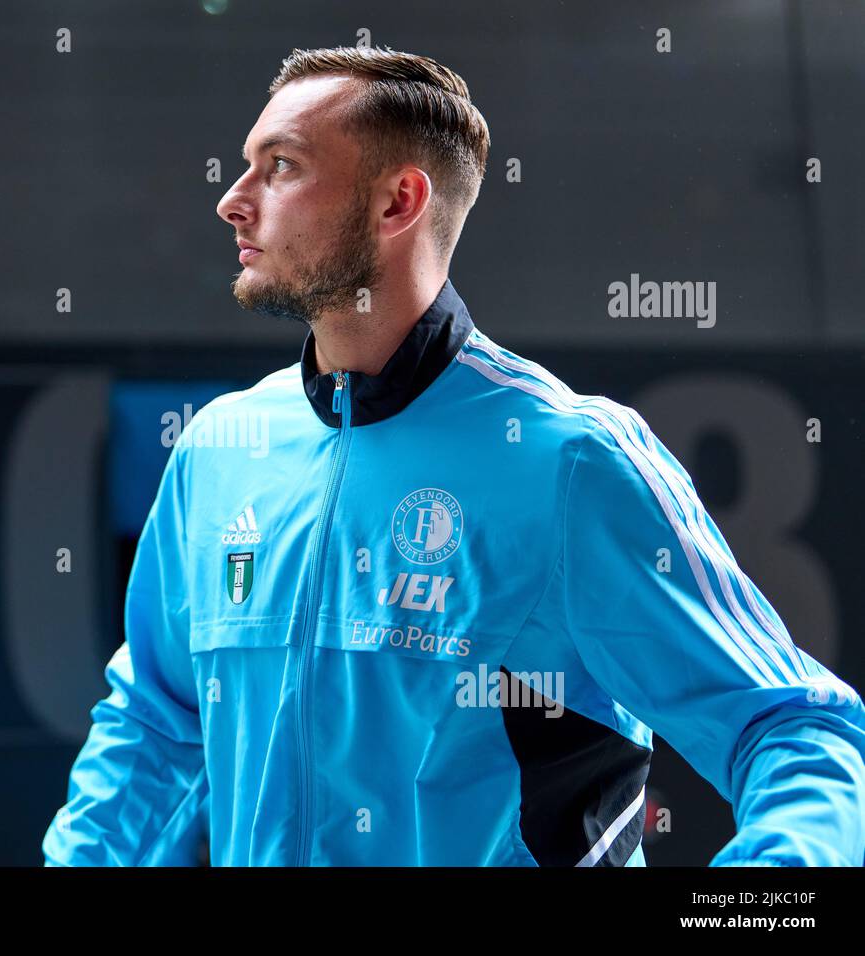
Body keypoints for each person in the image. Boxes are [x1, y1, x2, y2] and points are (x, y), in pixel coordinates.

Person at [42, 45, 865, 866]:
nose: (232, 200)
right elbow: (154, 724)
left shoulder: (571, 462)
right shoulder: (217, 449)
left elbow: (793, 724)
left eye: (281, 166)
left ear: (398, 202)